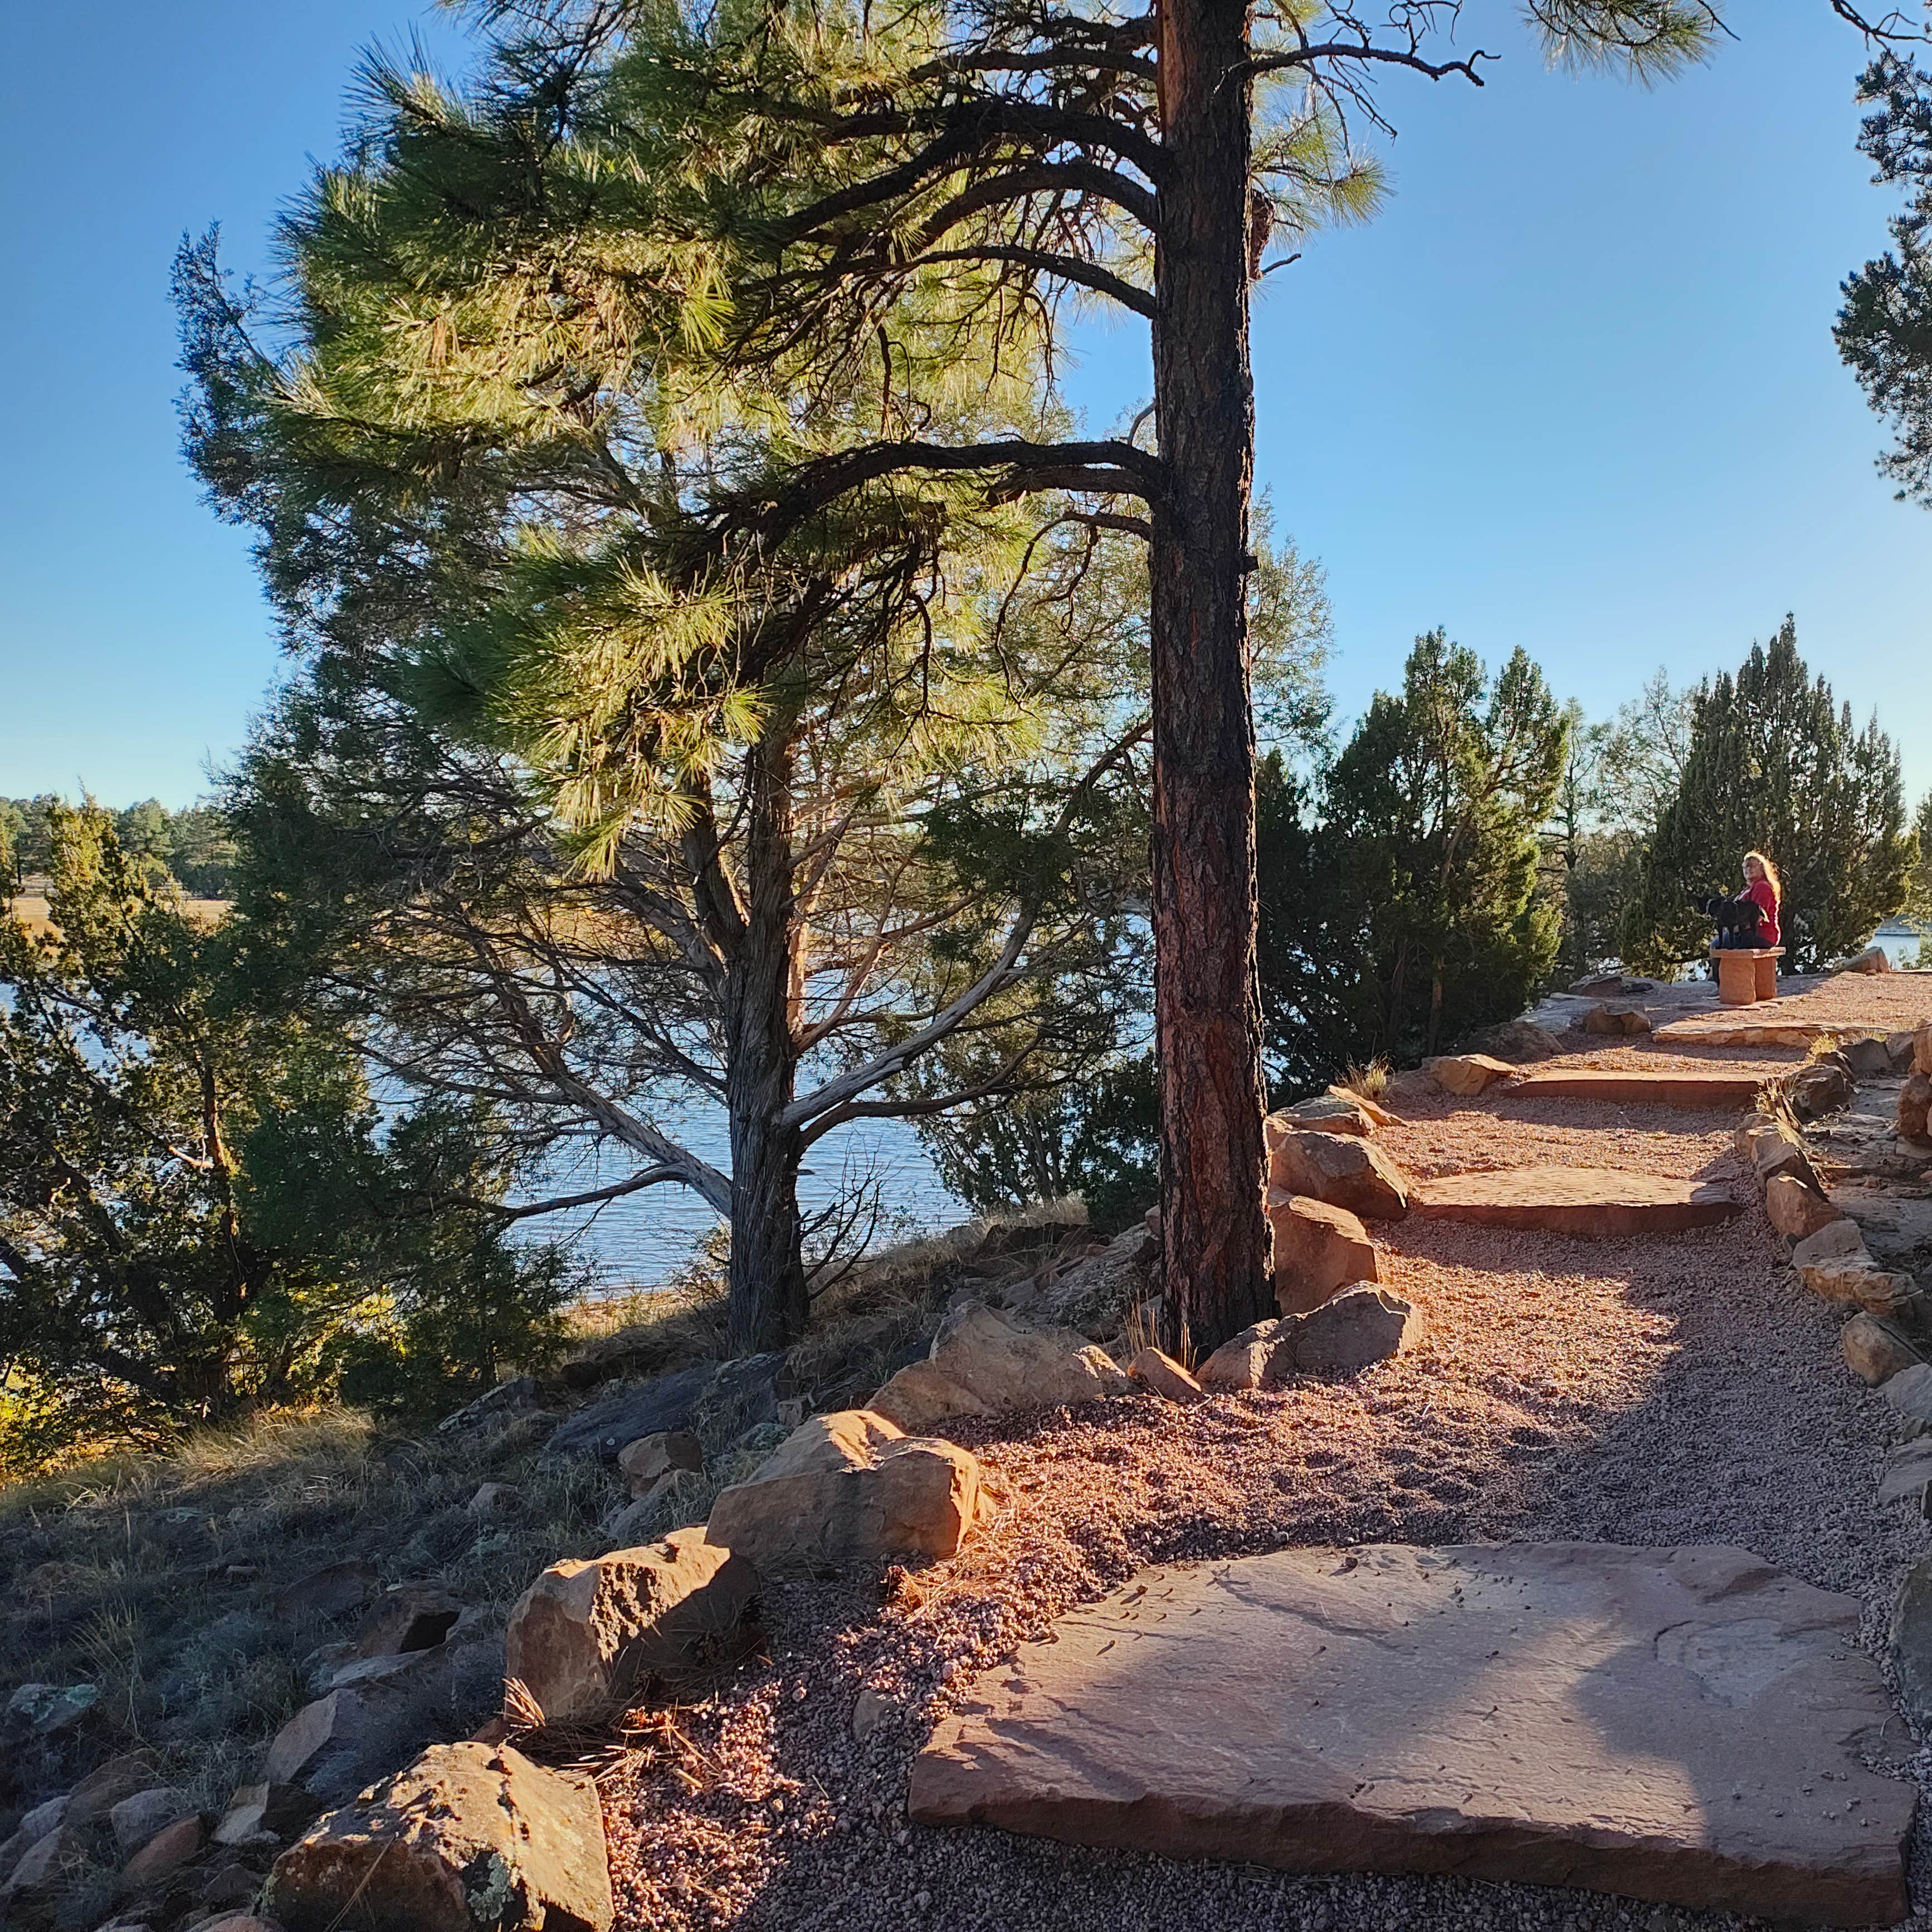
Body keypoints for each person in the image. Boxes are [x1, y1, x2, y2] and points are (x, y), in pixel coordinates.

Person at [1697, 851, 1782, 950]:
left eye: (1752, 866)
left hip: (1761, 934)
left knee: (1716, 947)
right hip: (1748, 933)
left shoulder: (1762, 887)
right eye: (1746, 866)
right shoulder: (1749, 888)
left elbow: (1757, 917)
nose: (1748, 869)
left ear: (1762, 868)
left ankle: (1722, 966)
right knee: (1718, 945)